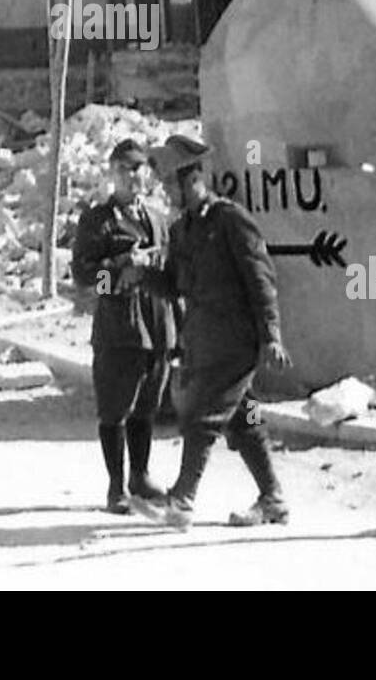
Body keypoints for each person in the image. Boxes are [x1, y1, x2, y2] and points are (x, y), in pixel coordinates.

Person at [140, 134, 292, 529]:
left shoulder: (229, 219)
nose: (167, 192)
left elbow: (261, 279)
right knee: (245, 418)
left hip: (237, 342)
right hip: (205, 340)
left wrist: (271, 335)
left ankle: (182, 500)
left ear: (192, 180)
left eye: (170, 184)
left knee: (203, 416)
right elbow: (175, 285)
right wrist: (141, 276)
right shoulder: (181, 231)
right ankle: (272, 498)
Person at [71, 139, 177, 514]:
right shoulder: (98, 221)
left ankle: (141, 475)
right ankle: (115, 487)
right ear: (112, 174)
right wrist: (118, 269)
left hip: (157, 324)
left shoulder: (158, 219)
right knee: (115, 408)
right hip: (120, 327)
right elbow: (83, 277)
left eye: (139, 169)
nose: (133, 177)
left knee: (147, 406)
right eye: (125, 170)